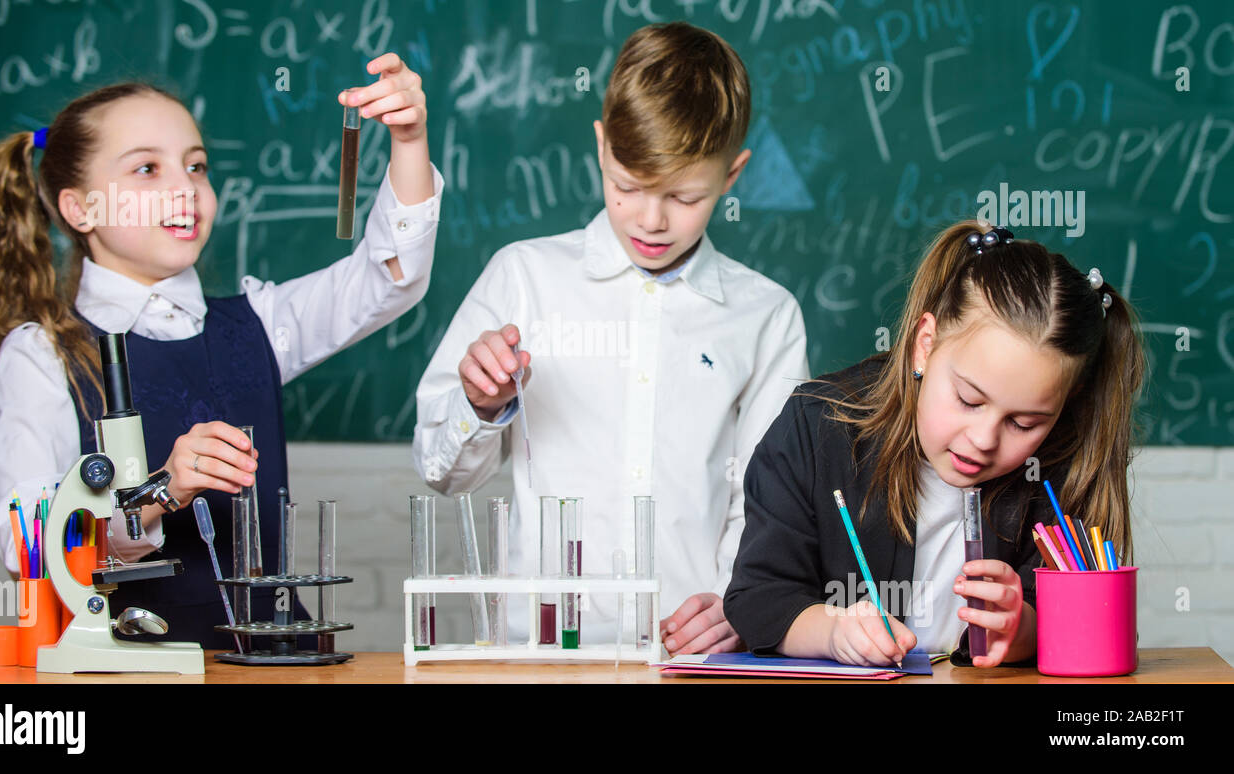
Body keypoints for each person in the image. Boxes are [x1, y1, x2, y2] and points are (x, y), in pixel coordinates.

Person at [0, 54, 442, 649]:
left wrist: (408, 140)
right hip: (130, 663)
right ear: (80, 209)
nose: (184, 187)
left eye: (196, 166)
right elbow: (23, 542)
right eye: (147, 169)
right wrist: (160, 492)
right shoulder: (42, 353)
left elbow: (390, 278)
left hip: (279, 658)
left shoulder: (259, 323)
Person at [413, 22, 808, 654]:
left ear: (733, 175)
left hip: (693, 657)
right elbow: (440, 471)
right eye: (627, 187)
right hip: (539, 657)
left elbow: (767, 502)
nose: (651, 220)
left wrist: (743, 601)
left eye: (684, 196)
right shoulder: (524, 277)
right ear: (601, 147)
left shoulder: (766, 317)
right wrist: (480, 406)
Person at [724, 221, 1145, 667]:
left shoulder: (1066, 463)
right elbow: (758, 599)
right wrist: (833, 632)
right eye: (968, 399)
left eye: (1024, 423)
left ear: (1063, 408)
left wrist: (1023, 629)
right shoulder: (818, 425)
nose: (983, 440)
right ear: (925, 345)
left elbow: (1099, 625)